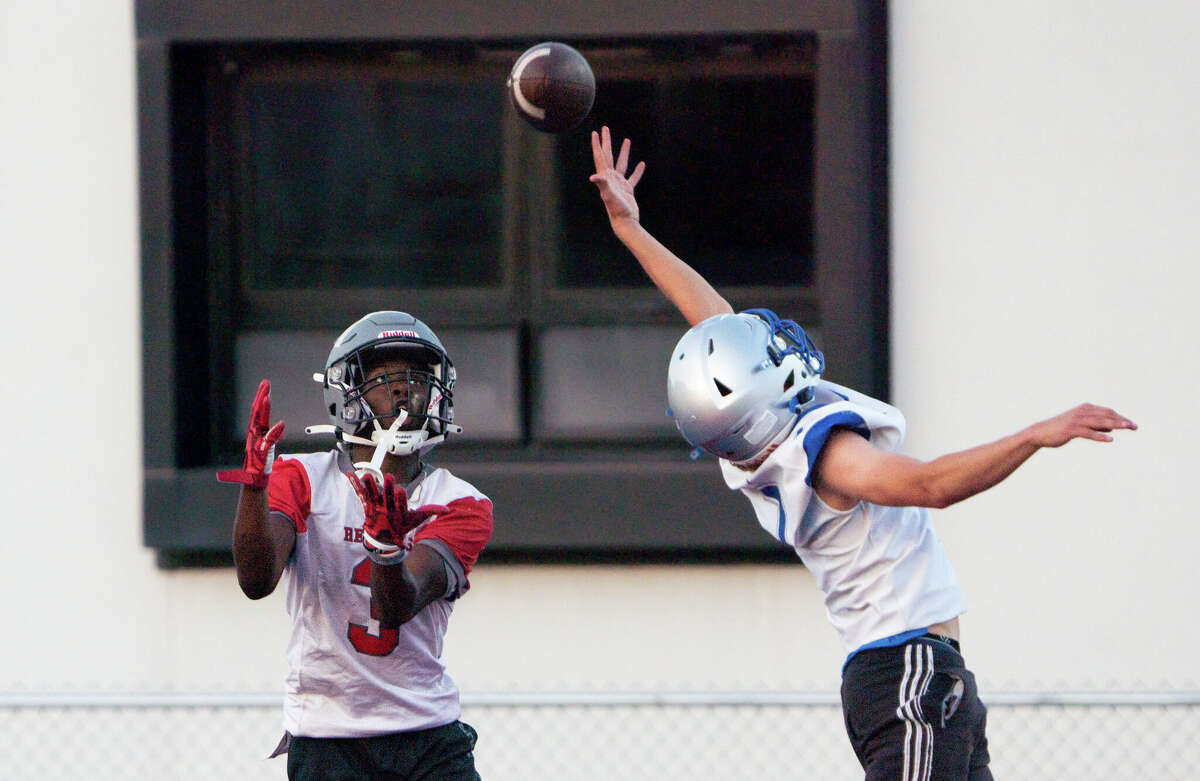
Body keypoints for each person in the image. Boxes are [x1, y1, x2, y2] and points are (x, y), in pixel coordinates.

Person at [587, 126, 1136, 781]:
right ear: (759, 395)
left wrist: (630, 231)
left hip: (914, 671)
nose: (773, 346)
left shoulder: (753, 436)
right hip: (911, 672)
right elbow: (930, 485)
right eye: (764, 357)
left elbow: (712, 317)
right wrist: (1033, 435)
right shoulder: (828, 453)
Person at [218, 310, 493, 781]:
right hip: (329, 738)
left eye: (418, 377)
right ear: (346, 391)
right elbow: (255, 580)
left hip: (426, 735)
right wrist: (255, 486)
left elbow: (395, 606)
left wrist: (385, 547)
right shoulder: (305, 478)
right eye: (384, 376)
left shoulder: (461, 501)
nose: (405, 389)